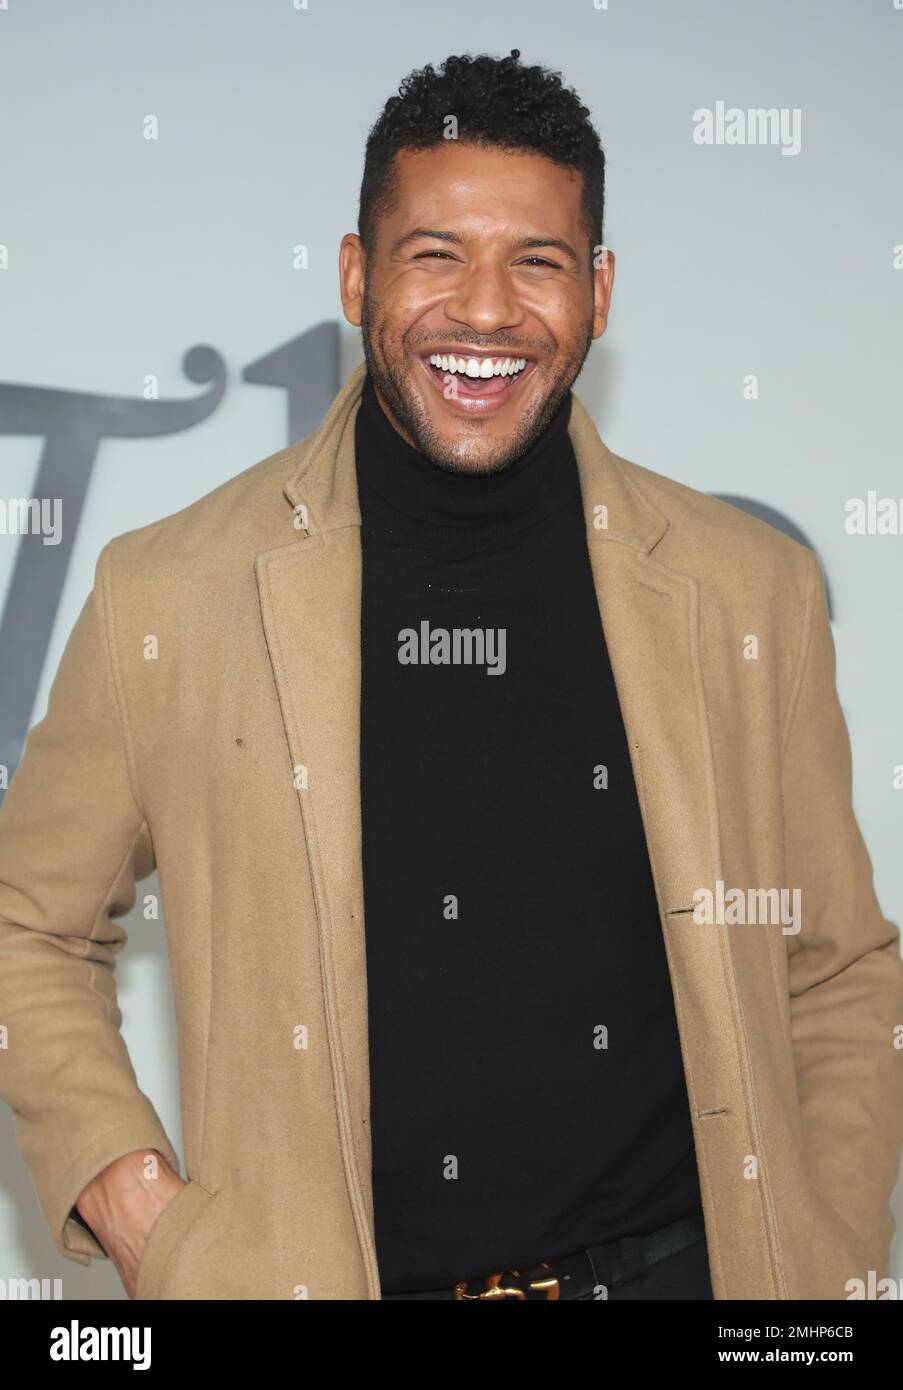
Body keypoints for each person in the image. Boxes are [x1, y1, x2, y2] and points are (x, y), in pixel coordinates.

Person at [1, 50, 901, 1302]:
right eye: (434, 254)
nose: (486, 312)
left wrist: (827, 1255)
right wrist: (142, 1208)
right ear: (355, 274)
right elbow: (24, 922)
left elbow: (837, 967)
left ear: (599, 292)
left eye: (537, 262)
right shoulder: (171, 592)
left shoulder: (750, 589)